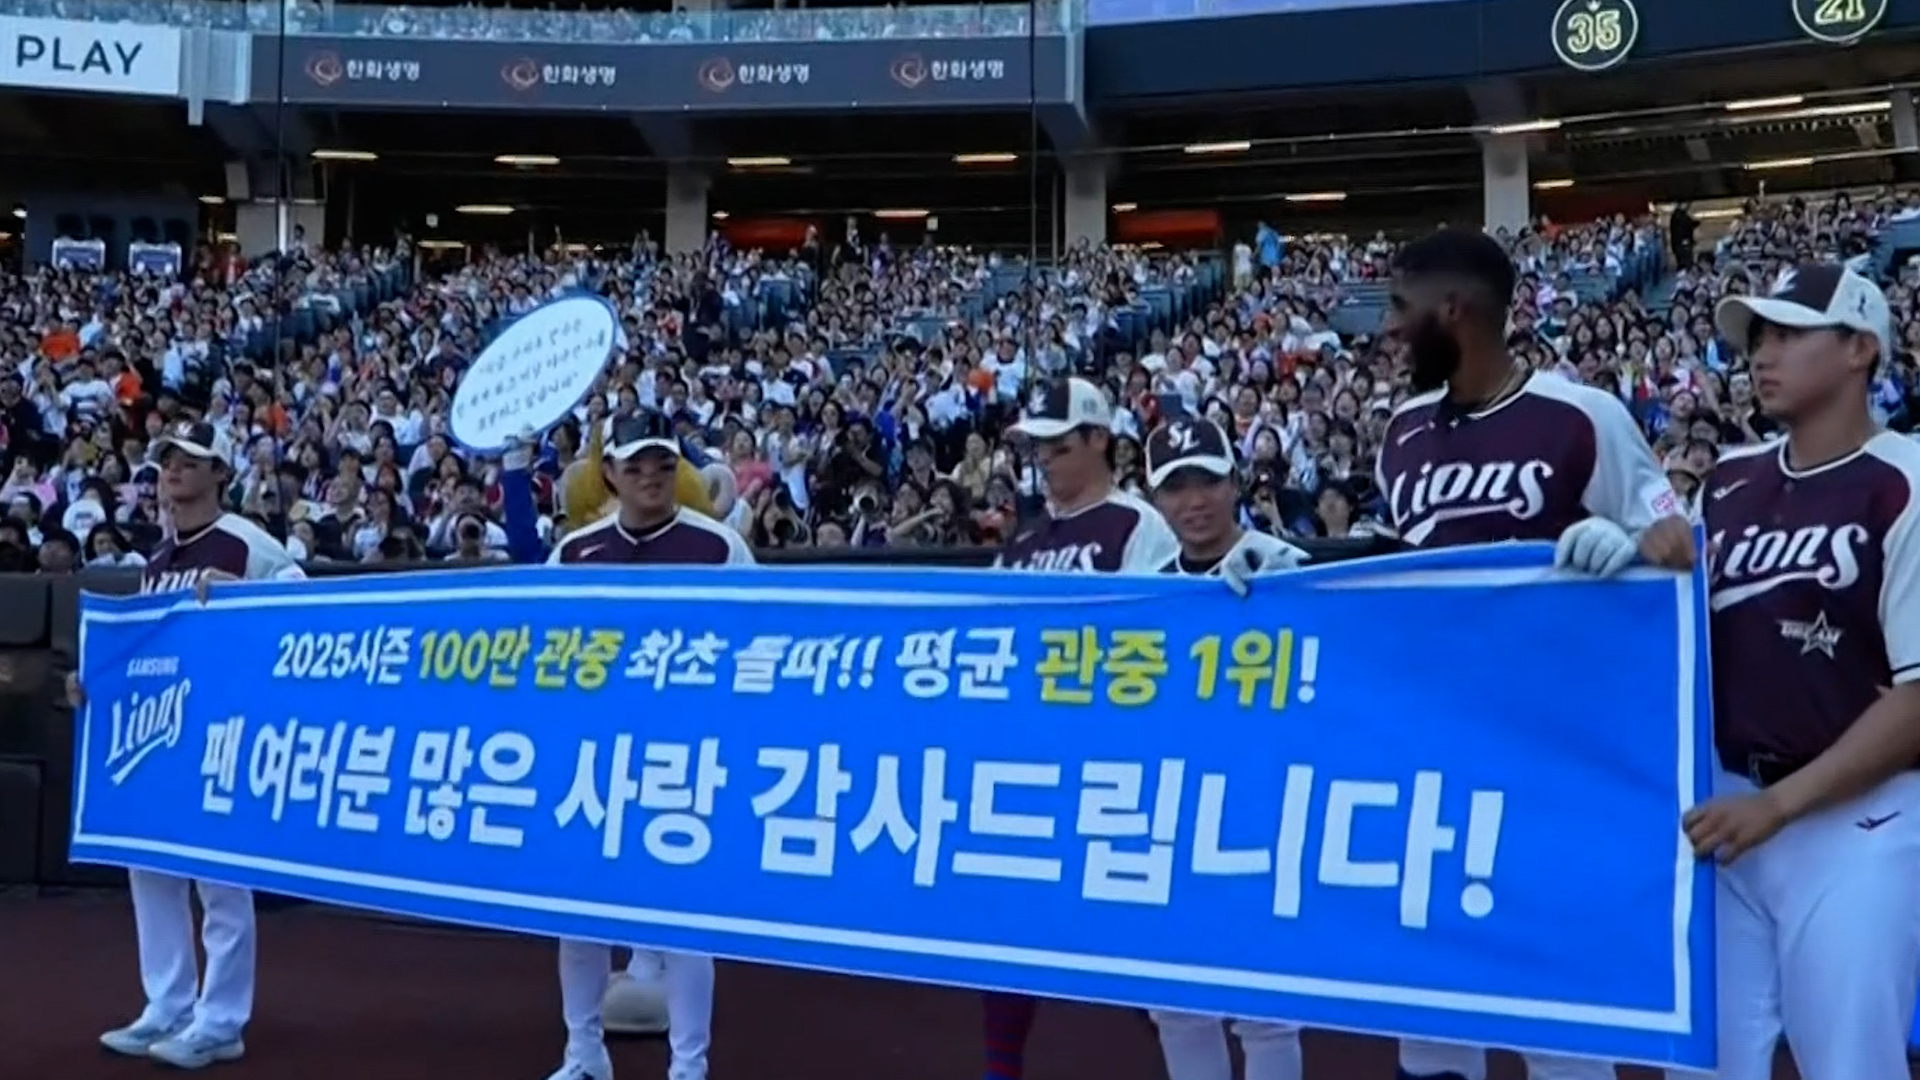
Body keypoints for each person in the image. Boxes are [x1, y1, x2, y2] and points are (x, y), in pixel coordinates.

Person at [1373, 228, 1695, 1080]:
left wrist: (1622, 541)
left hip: (1555, 759)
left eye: (1400, 309)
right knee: (1434, 1014)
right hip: (1432, 758)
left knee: (1557, 1024)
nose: (1387, 328)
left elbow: (1675, 543)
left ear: (1454, 312)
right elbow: (1401, 577)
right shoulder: (1402, 428)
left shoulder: (1582, 415)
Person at [1671, 263, 1920, 1080]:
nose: (1762, 354)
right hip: (1730, 808)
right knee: (1711, 1065)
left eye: (1787, 334)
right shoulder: (1729, 482)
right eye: (1757, 338)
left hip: (1858, 823)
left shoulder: (1906, 481)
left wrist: (1778, 806)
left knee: (1850, 1065)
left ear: (1859, 349)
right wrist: (1646, 556)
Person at [79, 420, 304, 1069]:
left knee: (220, 882)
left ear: (221, 474)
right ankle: (168, 1003)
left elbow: (308, 612)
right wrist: (95, 683)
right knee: (150, 866)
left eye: (189, 460)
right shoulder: (157, 559)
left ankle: (221, 1019)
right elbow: (150, 647)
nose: (173, 469)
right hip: (161, 729)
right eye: (166, 459)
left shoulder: (246, 544)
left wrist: (250, 599)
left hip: (224, 728)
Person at [981, 376, 1181, 1080]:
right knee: (1012, 920)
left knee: (1134, 934)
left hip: (1110, 756)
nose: (1043, 461)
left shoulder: (1137, 525)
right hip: (1031, 753)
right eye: (1035, 448)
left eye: (1057, 446)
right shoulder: (1026, 541)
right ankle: (1001, 1066)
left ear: (1100, 440)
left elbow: (1163, 640)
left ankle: (1184, 1052)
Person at [542, 409, 751, 1080]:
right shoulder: (576, 553)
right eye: (635, 465)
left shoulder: (718, 548)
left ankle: (688, 1065)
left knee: (684, 920)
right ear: (610, 473)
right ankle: (583, 1053)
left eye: (662, 463)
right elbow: (538, 645)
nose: (651, 476)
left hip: (684, 757)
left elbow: (765, 640)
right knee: (578, 915)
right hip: (594, 759)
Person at [1140, 413, 1306, 1080]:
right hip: (1174, 814)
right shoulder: (1148, 587)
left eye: (1207, 480)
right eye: (1176, 487)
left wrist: (1293, 596)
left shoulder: (1287, 567)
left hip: (1263, 808)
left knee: (1266, 1010)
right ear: (1155, 500)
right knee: (1177, 1005)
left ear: (1235, 482)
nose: (1195, 500)